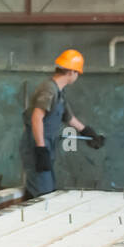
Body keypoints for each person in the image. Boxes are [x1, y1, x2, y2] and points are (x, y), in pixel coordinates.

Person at [20, 49, 105, 197]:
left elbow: (69, 118)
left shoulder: (59, 92)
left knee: (46, 189)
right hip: (37, 146)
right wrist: (41, 149)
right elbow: (36, 118)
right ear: (71, 72)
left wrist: (88, 133)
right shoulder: (49, 89)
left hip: (47, 145)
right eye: (77, 72)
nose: (77, 76)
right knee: (42, 193)